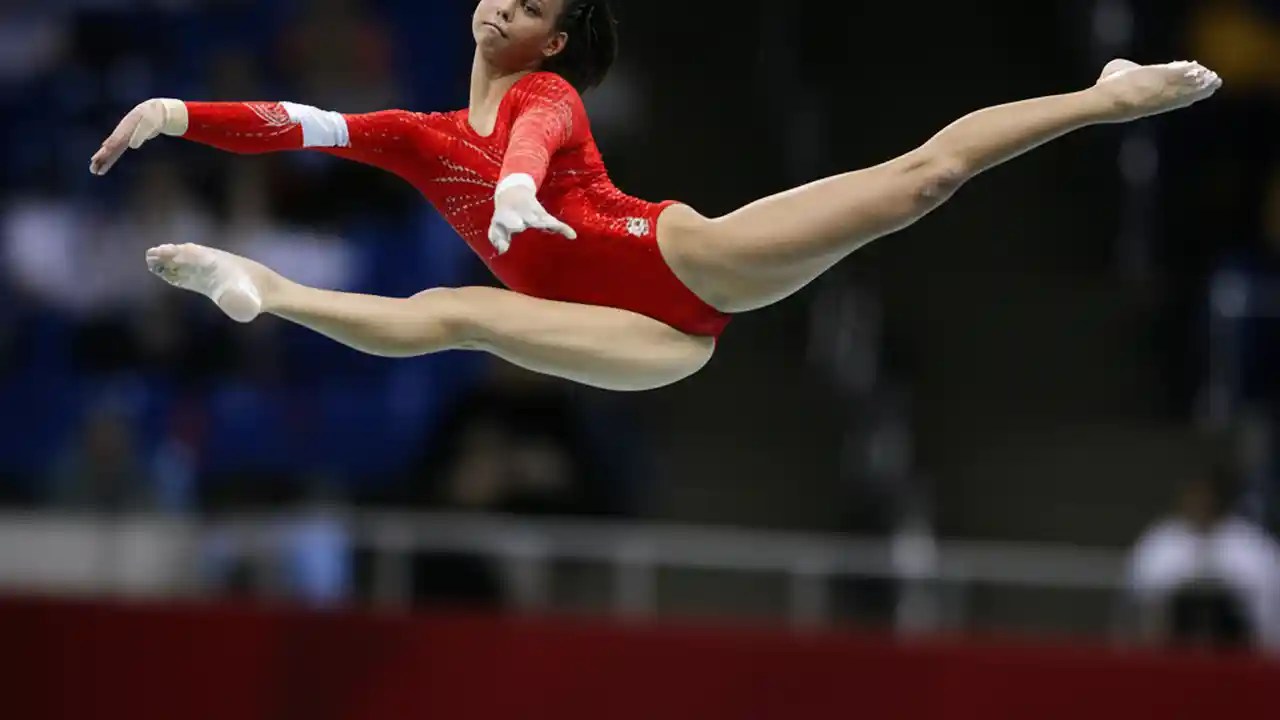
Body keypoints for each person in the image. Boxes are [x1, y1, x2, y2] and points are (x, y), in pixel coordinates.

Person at [88, 0, 1222, 392]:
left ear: (554, 37)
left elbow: (533, 136)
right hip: (644, 343)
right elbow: (302, 123)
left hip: (678, 265)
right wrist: (179, 115)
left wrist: (524, 195)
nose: (501, 12)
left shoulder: (547, 97)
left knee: (916, 185)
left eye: (532, 7)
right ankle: (262, 287)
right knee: (458, 314)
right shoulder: (415, 138)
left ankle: (1100, 94)